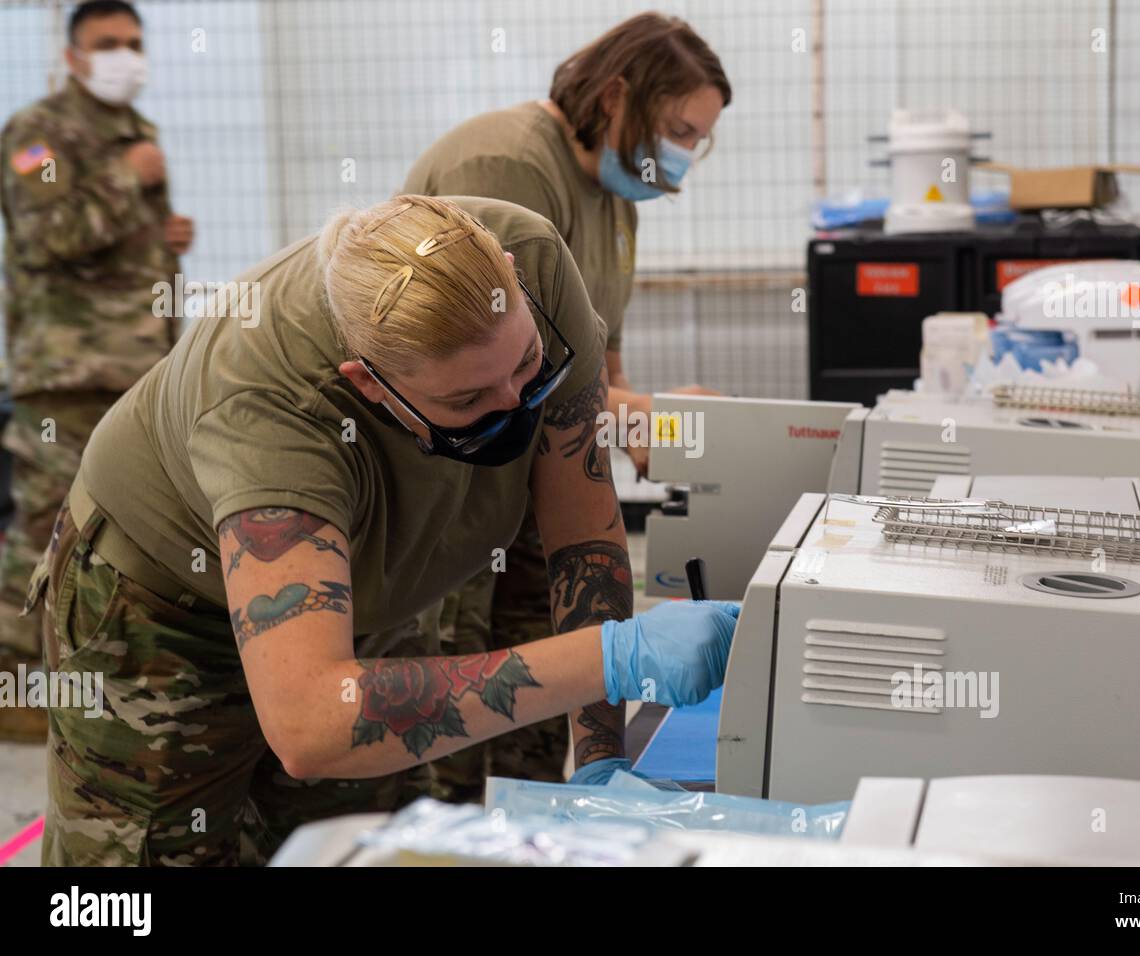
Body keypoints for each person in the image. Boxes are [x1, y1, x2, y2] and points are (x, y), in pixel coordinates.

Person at [30, 194, 737, 865]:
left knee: (346, 838)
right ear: (367, 385)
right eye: (467, 400)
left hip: (363, 583)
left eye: (527, 367)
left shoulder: (530, 259)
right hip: (168, 604)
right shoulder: (271, 409)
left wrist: (603, 755)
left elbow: (580, 532)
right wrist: (612, 656)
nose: (515, 405)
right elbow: (312, 725)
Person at [402, 12, 730, 797]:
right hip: (452, 484)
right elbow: (493, 364)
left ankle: (530, 826)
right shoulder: (507, 164)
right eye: (679, 128)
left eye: (700, 138)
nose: (686, 153)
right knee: (453, 701)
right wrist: (623, 408)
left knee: (542, 690)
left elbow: (595, 368)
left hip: (526, 485)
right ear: (617, 99)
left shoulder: (616, 203)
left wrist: (651, 414)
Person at [0, 0, 192, 742]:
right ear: (73, 56)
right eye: (107, 44)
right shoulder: (37, 134)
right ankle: (14, 684)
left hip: (134, 367)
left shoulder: (133, 131)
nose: (125, 56)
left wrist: (164, 235)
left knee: (112, 523)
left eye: (135, 43)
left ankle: (101, 672)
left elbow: (110, 243)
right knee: (45, 521)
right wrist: (124, 178)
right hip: (68, 369)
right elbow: (47, 235)